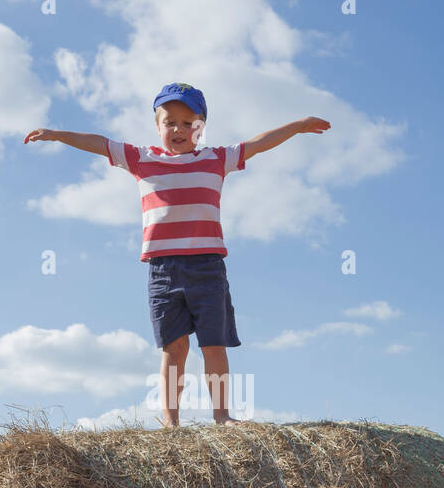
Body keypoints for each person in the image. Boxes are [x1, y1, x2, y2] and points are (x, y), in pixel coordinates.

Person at [25, 82, 331, 425]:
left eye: (189, 123)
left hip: (208, 267)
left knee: (213, 344)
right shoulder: (141, 159)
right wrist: (56, 134)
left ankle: (222, 415)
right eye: (170, 122)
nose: (179, 129)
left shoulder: (216, 159)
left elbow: (258, 144)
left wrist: (299, 125)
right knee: (174, 348)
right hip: (163, 269)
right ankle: (170, 422)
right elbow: (99, 142)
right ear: (158, 126)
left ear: (201, 128)